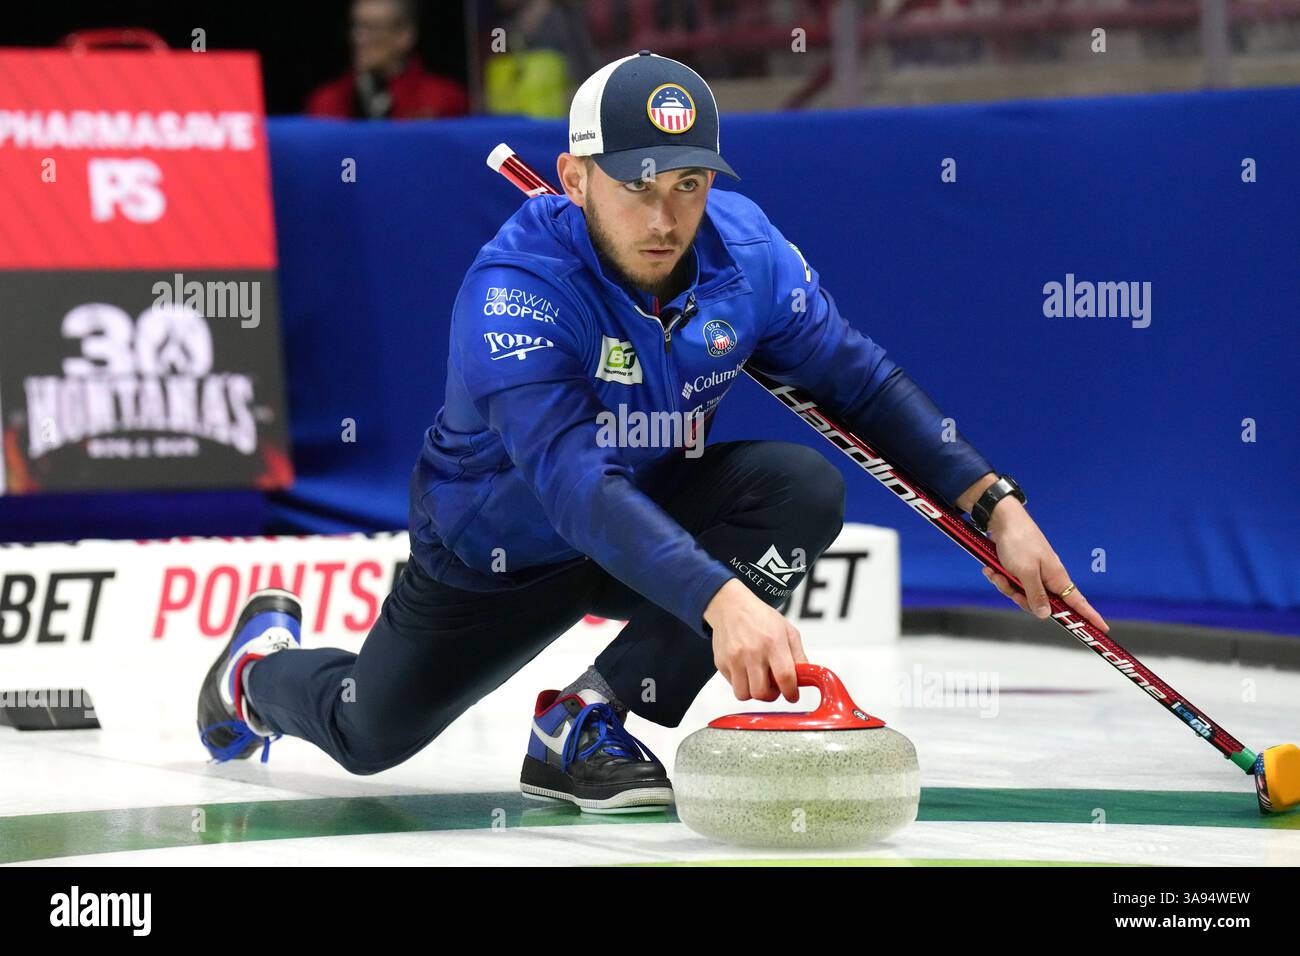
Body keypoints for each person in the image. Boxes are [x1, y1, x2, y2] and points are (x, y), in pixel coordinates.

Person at [200, 51, 1109, 813]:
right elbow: (572, 484)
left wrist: (994, 505)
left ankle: (588, 719)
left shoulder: (745, 255)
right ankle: (255, 673)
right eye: (635, 186)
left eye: (689, 183)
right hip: (500, 550)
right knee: (371, 735)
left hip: (647, 508)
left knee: (799, 487)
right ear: (573, 177)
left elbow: (860, 380)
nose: (667, 217)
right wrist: (720, 600)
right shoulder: (514, 291)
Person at [307, 0, 468, 120]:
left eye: (372, 28)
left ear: (405, 35)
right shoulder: (327, 103)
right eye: (356, 27)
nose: (359, 39)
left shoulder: (444, 102)